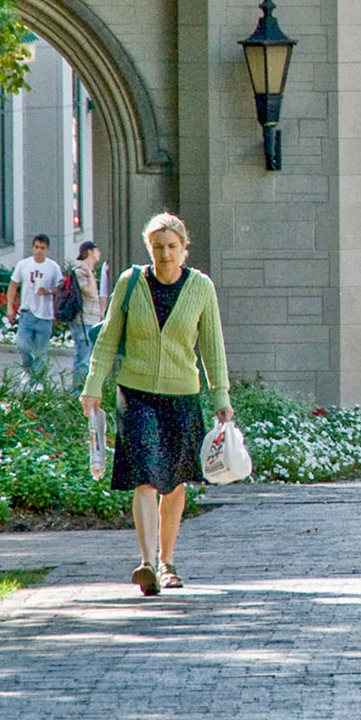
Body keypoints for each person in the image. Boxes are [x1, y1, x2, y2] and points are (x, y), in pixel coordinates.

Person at [81, 213, 233, 597]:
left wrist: (221, 397)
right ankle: (147, 563)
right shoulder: (130, 283)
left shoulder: (200, 287)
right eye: (157, 248)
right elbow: (108, 338)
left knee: (175, 482)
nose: (165, 255)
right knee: (146, 477)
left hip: (182, 393)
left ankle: (168, 561)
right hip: (137, 392)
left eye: (172, 247)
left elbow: (212, 347)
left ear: (184, 248)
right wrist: (93, 386)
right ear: (149, 248)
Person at [7, 234, 62, 376]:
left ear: (47, 250)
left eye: (42, 248)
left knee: (41, 351)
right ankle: (28, 368)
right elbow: (13, 285)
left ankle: (37, 381)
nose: (39, 251)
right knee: (22, 345)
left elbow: (60, 289)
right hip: (27, 312)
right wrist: (10, 307)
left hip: (45, 314)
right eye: (36, 247)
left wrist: (48, 292)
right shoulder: (23, 265)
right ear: (32, 248)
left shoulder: (53, 267)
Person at [71, 241, 106, 381]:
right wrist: (90, 274)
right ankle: (77, 391)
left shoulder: (89, 271)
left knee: (89, 359)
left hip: (92, 319)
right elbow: (90, 292)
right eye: (97, 250)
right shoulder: (80, 270)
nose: (99, 254)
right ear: (90, 251)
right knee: (83, 359)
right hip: (83, 320)